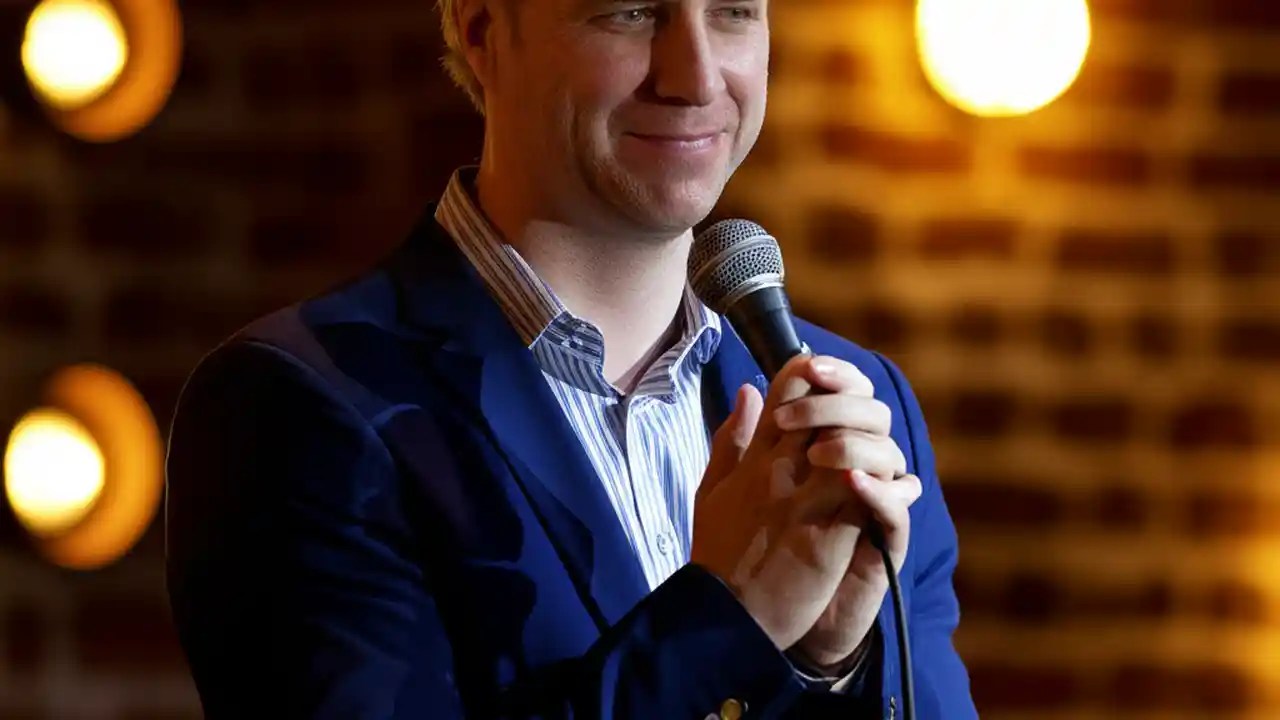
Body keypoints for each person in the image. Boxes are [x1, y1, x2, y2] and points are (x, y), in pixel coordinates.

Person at [163, 0, 977, 717]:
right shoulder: (296, 403)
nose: (695, 79)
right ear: (484, 31)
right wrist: (728, 623)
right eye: (631, 12)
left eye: (733, 11)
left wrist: (829, 668)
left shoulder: (861, 404)